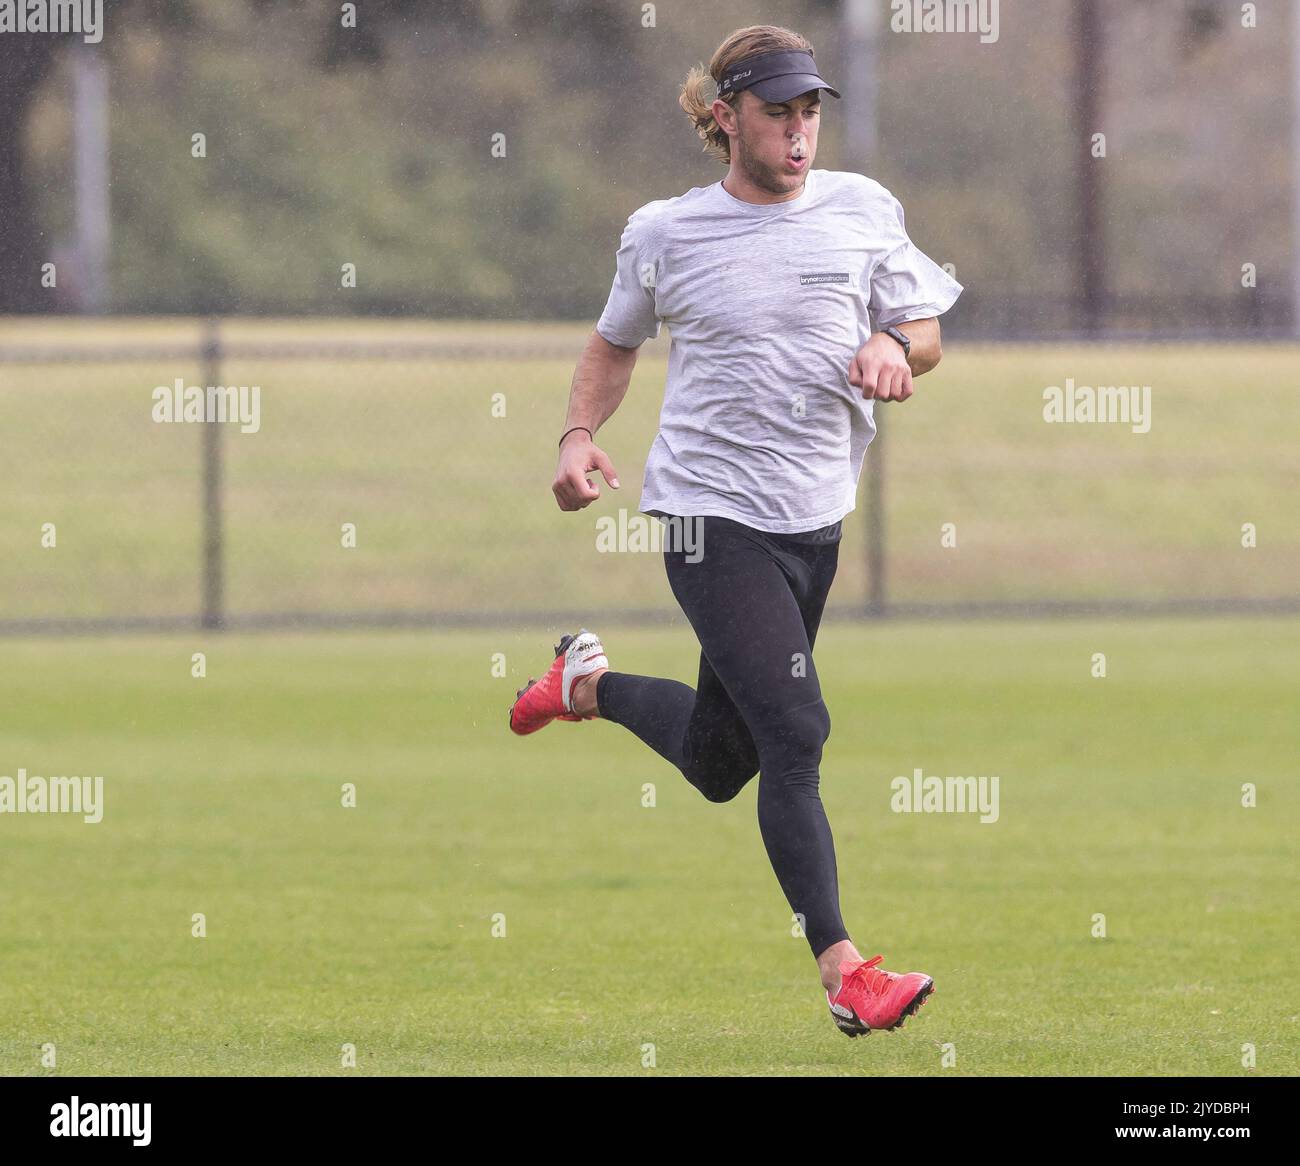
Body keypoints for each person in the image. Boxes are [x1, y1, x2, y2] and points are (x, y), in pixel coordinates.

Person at [509, 23, 962, 1038]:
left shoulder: (862, 209)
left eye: (810, 112)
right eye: (776, 112)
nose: (800, 133)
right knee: (796, 733)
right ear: (725, 118)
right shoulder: (666, 232)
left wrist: (896, 344)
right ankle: (846, 971)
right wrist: (579, 433)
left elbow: (925, 327)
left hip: (813, 524)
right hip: (709, 517)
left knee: (723, 762)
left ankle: (582, 683)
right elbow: (612, 342)